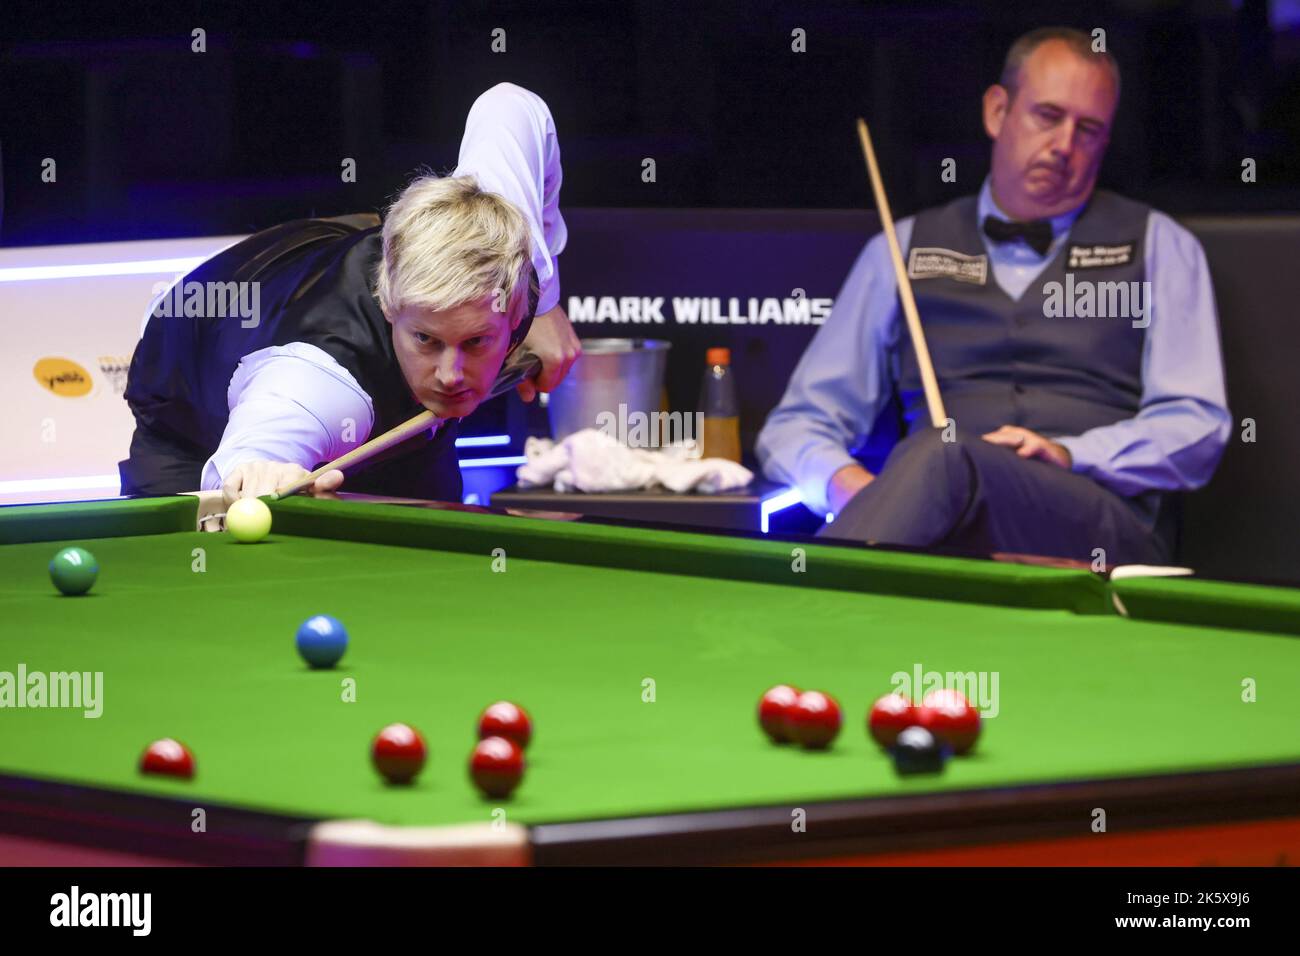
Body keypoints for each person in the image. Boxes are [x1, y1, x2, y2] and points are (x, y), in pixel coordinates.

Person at [757, 27, 1231, 566]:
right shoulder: (901, 247)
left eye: (1090, 130)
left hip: (1097, 524)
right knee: (938, 458)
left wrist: (1073, 453)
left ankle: (803, 617)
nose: (1064, 146)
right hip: (938, 522)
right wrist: (852, 490)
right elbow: (796, 424)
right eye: (1048, 116)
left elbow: (1198, 427)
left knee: (943, 453)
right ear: (997, 112)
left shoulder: (1160, 245)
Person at [120, 83, 580, 508]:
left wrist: (548, 304)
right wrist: (256, 474)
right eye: (427, 340)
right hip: (187, 397)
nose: (450, 375)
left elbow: (510, 104)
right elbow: (252, 452)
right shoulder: (318, 384)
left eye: (476, 342)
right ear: (389, 304)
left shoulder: (505, 237)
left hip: (332, 287)